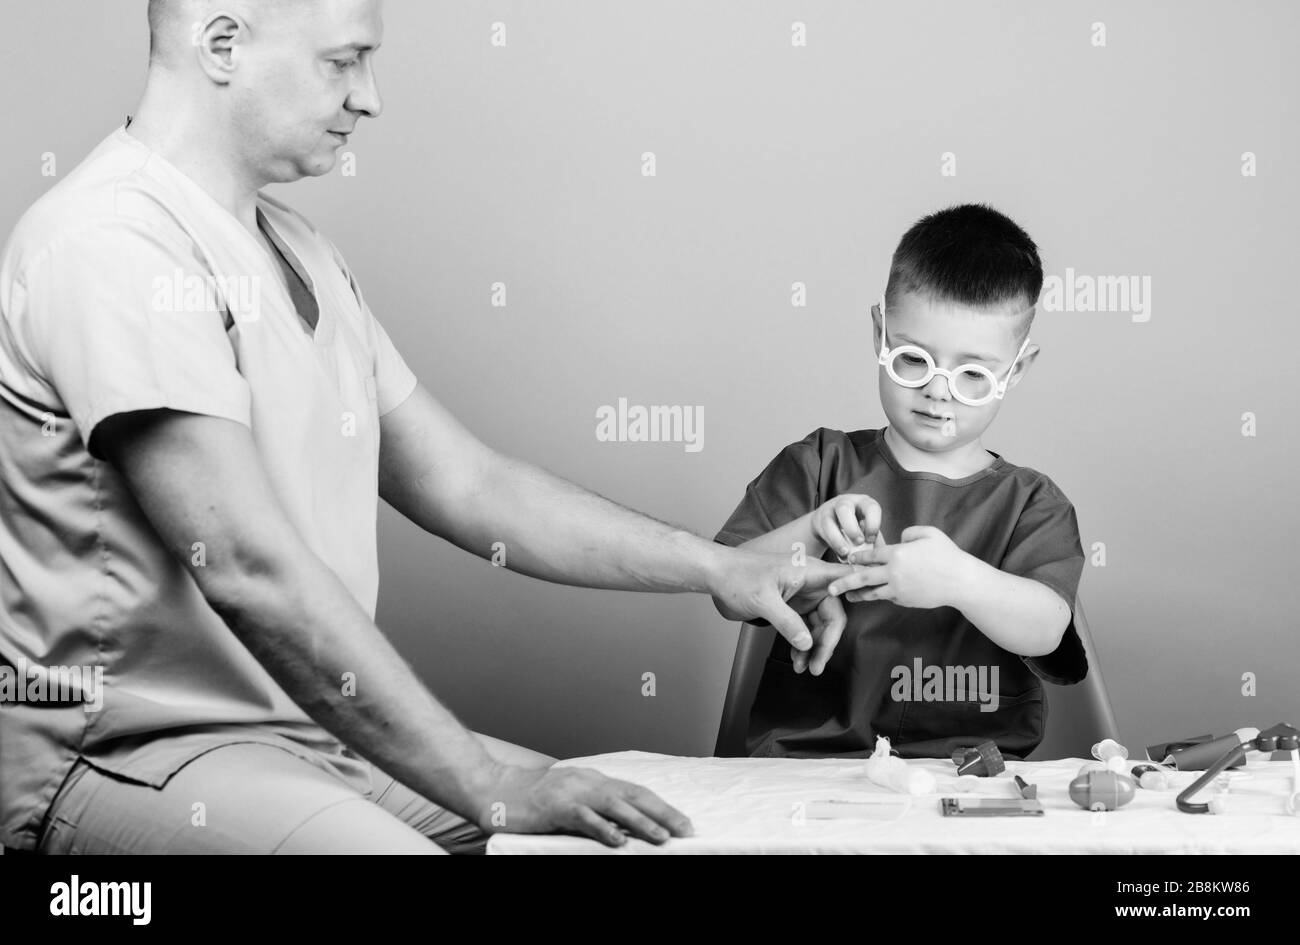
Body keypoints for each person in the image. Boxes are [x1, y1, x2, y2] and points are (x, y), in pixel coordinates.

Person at [0, 0, 860, 854]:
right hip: (143, 756)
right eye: (343, 60)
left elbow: (471, 484)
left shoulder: (300, 250)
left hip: (316, 736)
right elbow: (243, 565)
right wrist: (492, 788)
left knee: (639, 840)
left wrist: (722, 568)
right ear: (222, 42)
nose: (370, 96)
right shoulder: (111, 243)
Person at [713, 203, 1088, 761]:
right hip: (807, 765)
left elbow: (1047, 630)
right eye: (914, 360)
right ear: (879, 335)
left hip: (969, 771)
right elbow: (727, 589)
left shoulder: (1032, 503)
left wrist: (958, 580)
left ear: (1017, 370)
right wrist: (812, 529)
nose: (939, 392)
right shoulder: (818, 465)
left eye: (972, 375)